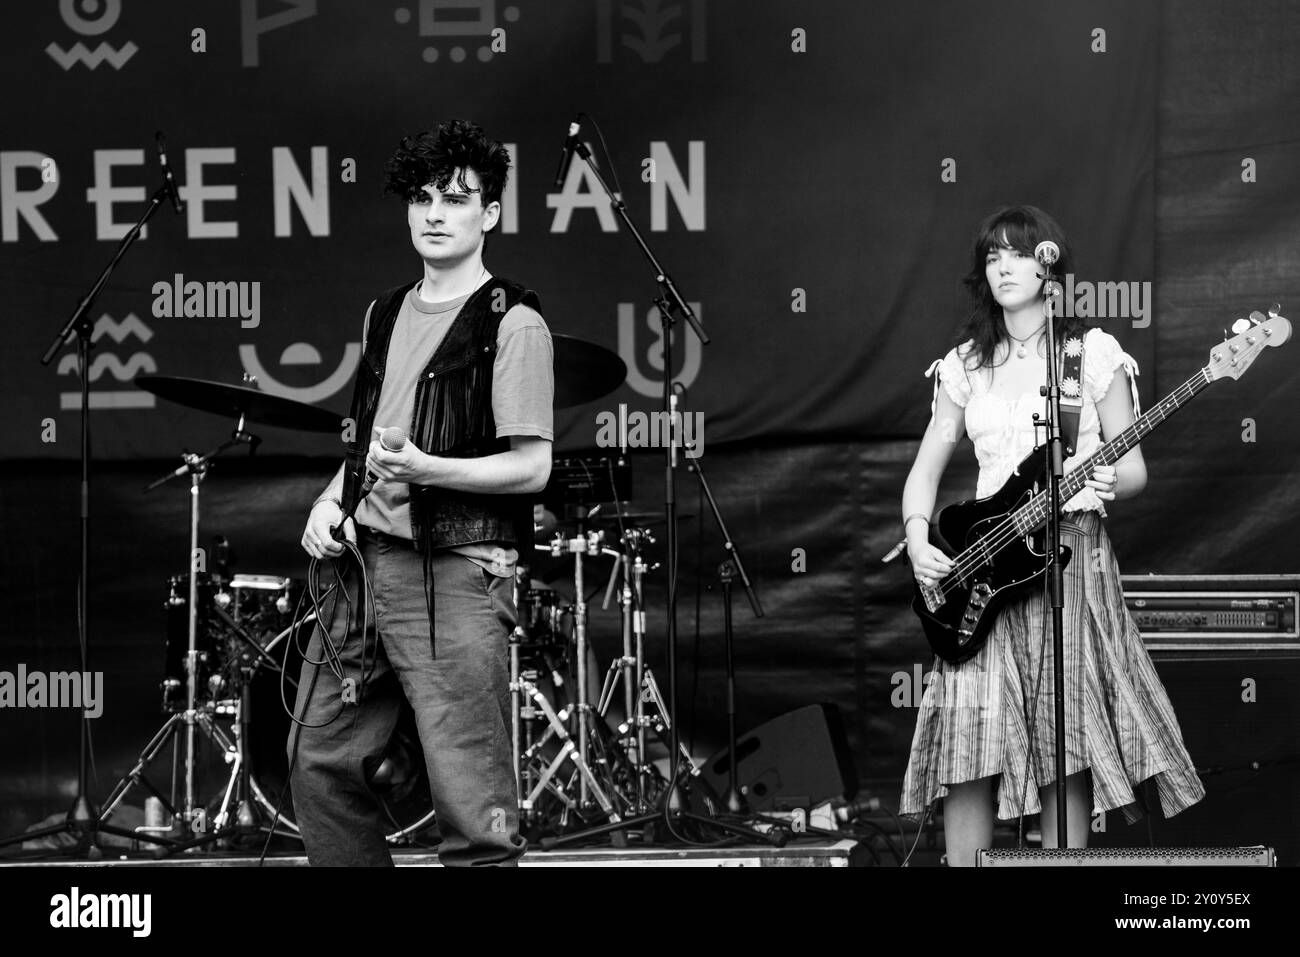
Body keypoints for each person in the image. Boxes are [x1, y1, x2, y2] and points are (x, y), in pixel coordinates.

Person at [898, 205, 1204, 866]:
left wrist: (1102, 487)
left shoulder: (1088, 355)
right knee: (967, 745)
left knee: (1064, 748)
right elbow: (925, 470)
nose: (1003, 265)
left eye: (1018, 252)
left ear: (1050, 266)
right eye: (991, 256)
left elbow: (1132, 469)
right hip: (981, 568)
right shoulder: (965, 364)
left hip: (1067, 561)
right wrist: (919, 536)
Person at [289, 119, 554, 866]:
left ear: (490, 214)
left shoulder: (515, 321)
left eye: (457, 199)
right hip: (362, 565)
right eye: (423, 197)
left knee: (472, 803)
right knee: (318, 759)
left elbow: (532, 468)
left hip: (457, 569)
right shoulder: (383, 312)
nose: (435, 213)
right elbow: (365, 441)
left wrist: (427, 469)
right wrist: (329, 500)